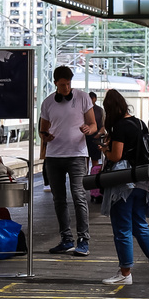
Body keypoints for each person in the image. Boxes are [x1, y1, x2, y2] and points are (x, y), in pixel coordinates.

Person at [98, 89, 149, 287]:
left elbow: (117, 156)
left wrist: (105, 149)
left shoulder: (119, 126)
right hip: (141, 179)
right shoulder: (139, 122)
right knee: (140, 225)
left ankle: (125, 272)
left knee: (122, 228)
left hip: (124, 181)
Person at [39, 66, 96, 257]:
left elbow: (94, 124)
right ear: (55, 83)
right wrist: (45, 138)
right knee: (59, 199)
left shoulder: (82, 97)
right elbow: (43, 129)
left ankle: (83, 239)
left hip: (77, 154)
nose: (66, 88)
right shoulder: (48, 103)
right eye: (62, 85)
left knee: (79, 196)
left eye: (68, 84)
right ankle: (66, 239)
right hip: (54, 156)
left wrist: (89, 130)